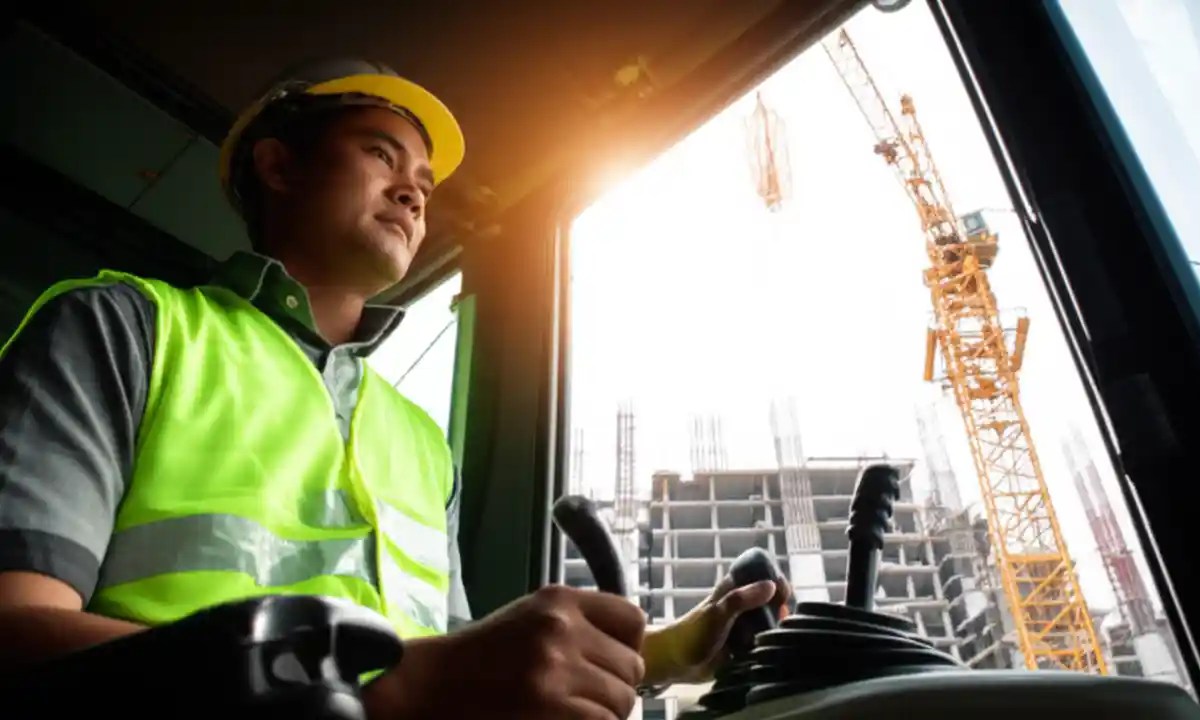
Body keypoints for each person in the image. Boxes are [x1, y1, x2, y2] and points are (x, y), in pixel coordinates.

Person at [0, 58, 788, 718]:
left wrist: (669, 652)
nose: (414, 192)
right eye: (381, 154)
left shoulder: (419, 441)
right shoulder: (124, 328)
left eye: (424, 180)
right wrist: (387, 689)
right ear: (279, 166)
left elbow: (451, 668)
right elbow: (16, 633)